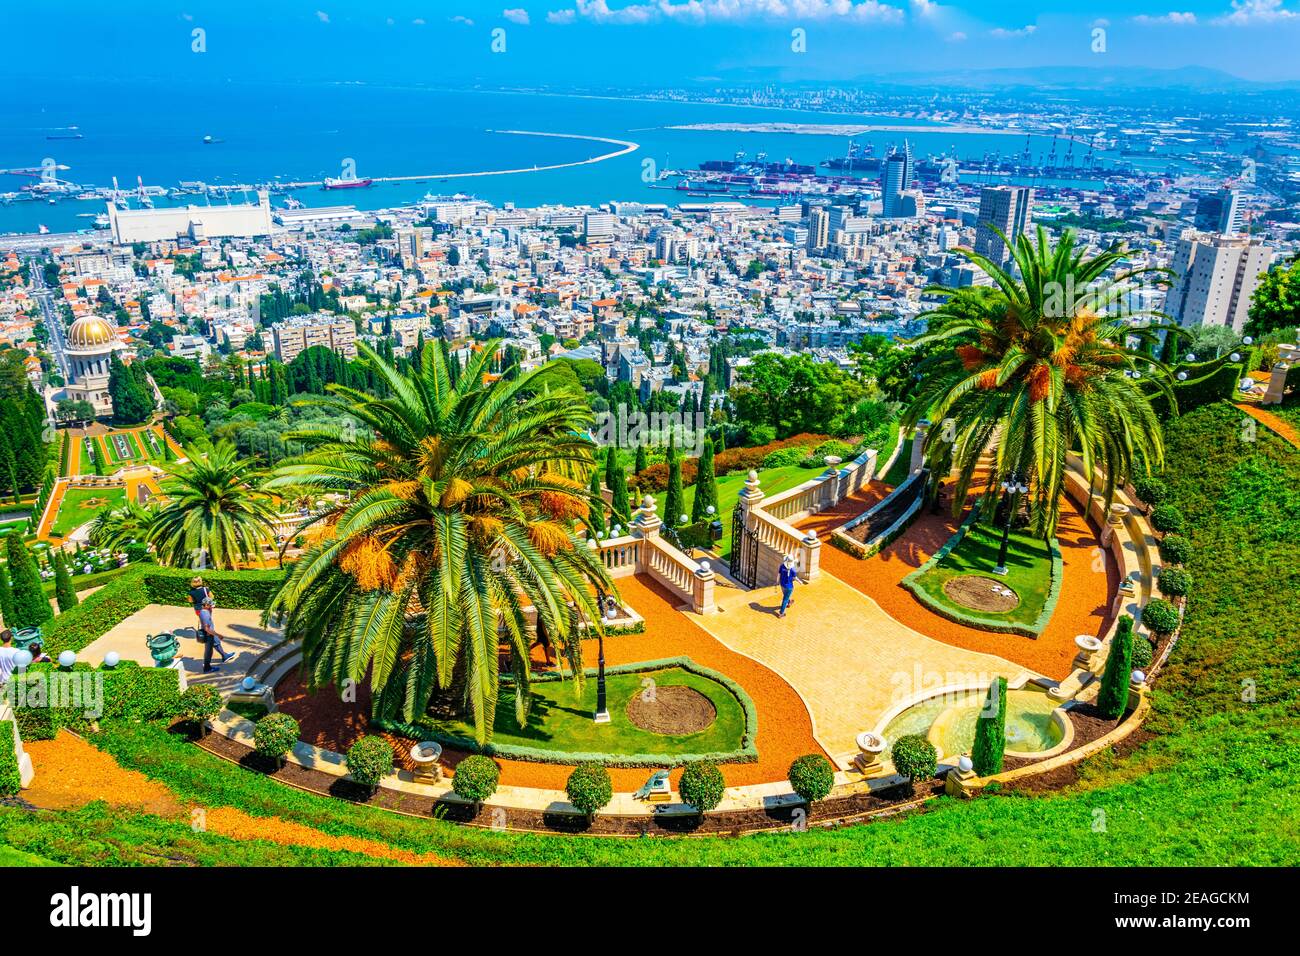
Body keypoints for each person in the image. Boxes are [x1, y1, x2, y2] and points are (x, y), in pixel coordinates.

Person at [198, 597, 233, 673]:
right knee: (208, 653)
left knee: (211, 650)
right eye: (210, 605)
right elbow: (207, 629)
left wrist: (210, 610)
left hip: (209, 635)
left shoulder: (205, 611)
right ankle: (207, 669)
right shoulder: (205, 614)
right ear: (206, 605)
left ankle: (223, 657)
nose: (212, 607)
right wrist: (218, 635)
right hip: (209, 635)